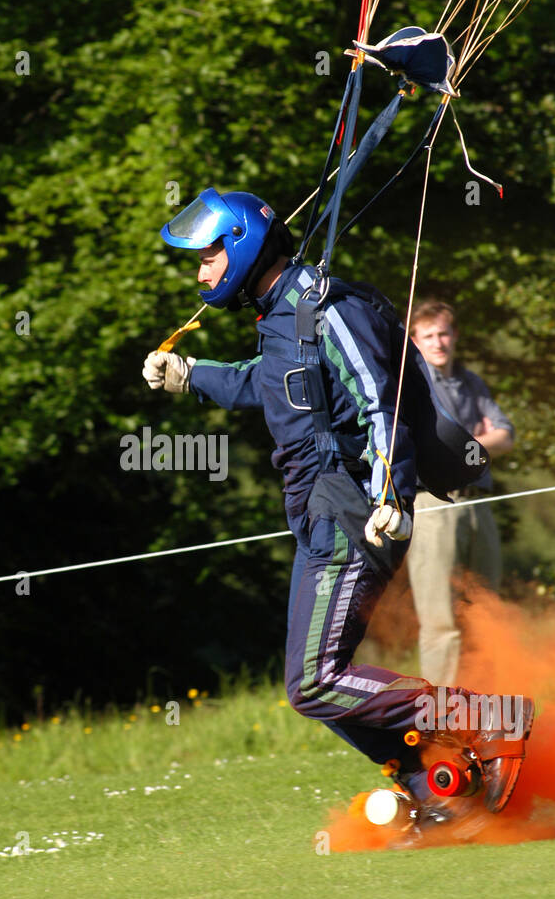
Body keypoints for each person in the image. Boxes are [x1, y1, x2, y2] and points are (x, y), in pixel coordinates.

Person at [143, 187, 533, 835]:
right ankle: (442, 791)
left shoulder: (325, 309)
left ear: (239, 248)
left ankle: (489, 720)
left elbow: (378, 400)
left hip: (356, 511)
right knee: (317, 683)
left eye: (208, 255)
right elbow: (269, 385)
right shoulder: (283, 316)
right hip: (321, 513)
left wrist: (390, 492)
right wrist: (192, 376)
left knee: (317, 682)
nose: (201, 271)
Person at [406, 300, 514, 686]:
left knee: (485, 612)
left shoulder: (471, 382)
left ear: (455, 336)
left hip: (478, 504)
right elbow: (428, 447)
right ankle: (443, 720)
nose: (439, 342)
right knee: (442, 621)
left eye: (444, 333)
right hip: (434, 505)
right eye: (429, 335)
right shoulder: (410, 385)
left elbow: (506, 434)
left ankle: (485, 709)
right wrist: (481, 444)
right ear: (415, 341)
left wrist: (464, 445)